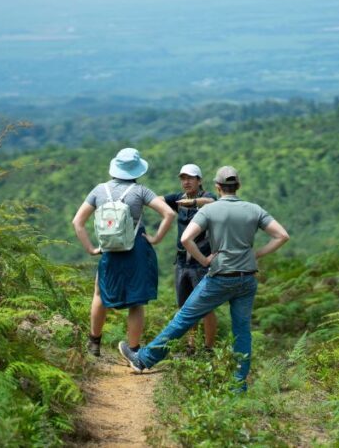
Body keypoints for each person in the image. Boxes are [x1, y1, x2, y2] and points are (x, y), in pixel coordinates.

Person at [119, 166, 289, 390]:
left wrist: (204, 260)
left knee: (184, 318)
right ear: (238, 186)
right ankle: (238, 386)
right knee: (242, 331)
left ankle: (144, 359)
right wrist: (255, 254)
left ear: (217, 187)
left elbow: (186, 239)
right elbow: (282, 235)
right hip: (247, 278)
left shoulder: (210, 210)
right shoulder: (254, 209)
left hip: (220, 275)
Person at [72, 148, 175, 357]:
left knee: (100, 294)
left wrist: (91, 248)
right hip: (136, 249)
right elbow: (169, 213)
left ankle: (94, 343)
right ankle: (134, 350)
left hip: (110, 249)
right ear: (136, 170)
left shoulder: (99, 190)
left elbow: (77, 222)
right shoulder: (141, 191)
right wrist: (156, 238)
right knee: (136, 302)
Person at [162, 164, 218, 354]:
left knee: (206, 306)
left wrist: (192, 203)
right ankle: (190, 346)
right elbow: (156, 200)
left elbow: (213, 202)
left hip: (201, 261)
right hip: (181, 261)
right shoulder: (178, 198)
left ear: (199, 180)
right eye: (183, 178)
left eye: (190, 178)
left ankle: (209, 348)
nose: (186, 182)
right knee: (185, 306)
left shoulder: (208, 197)